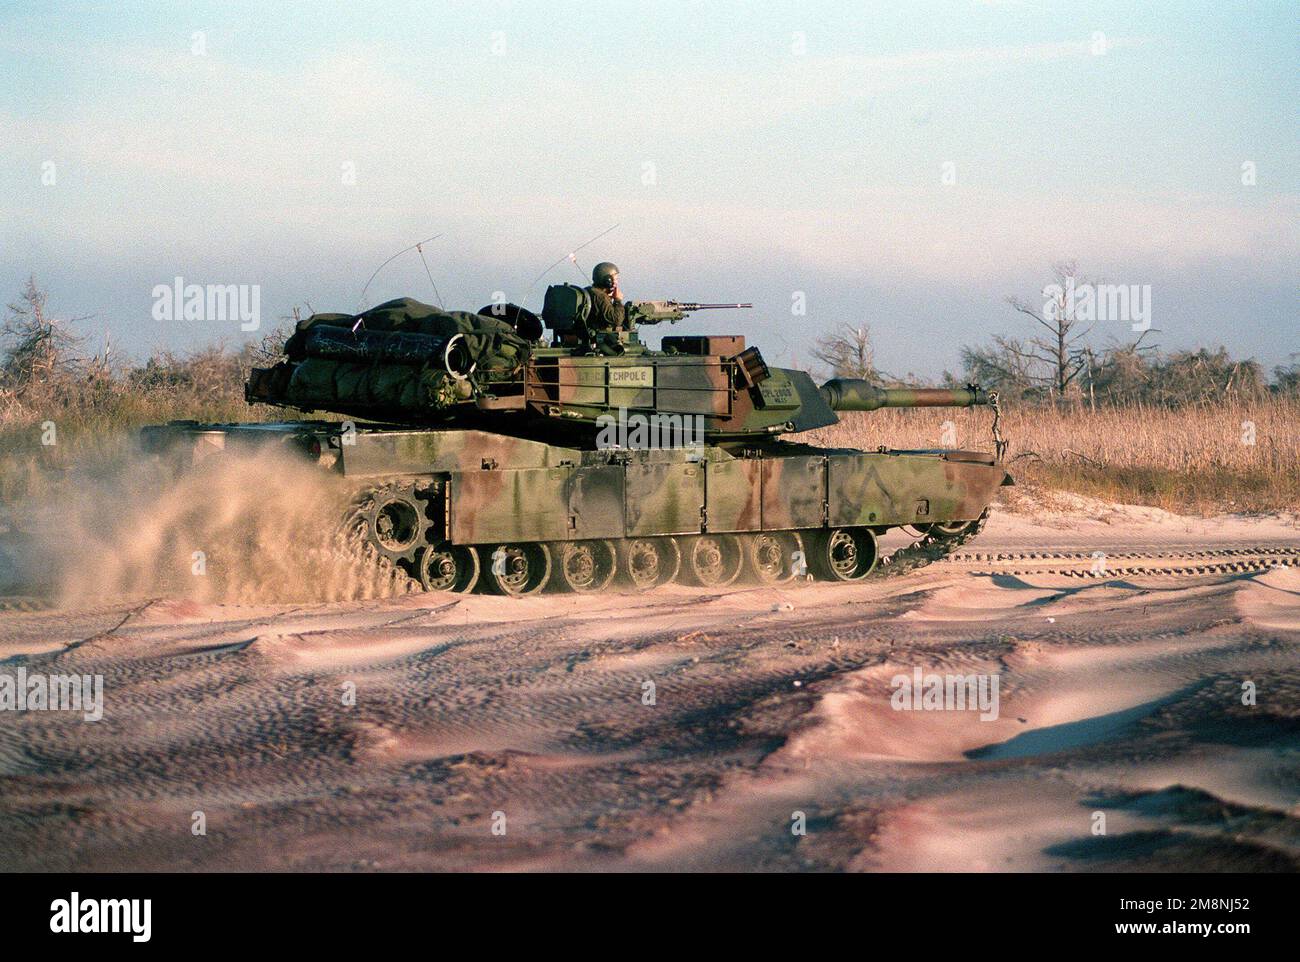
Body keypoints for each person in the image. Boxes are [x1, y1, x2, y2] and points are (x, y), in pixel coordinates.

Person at [580, 261, 627, 353]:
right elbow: (615, 319)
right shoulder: (600, 296)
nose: (617, 282)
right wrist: (617, 300)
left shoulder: (588, 291)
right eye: (616, 279)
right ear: (608, 280)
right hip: (600, 341)